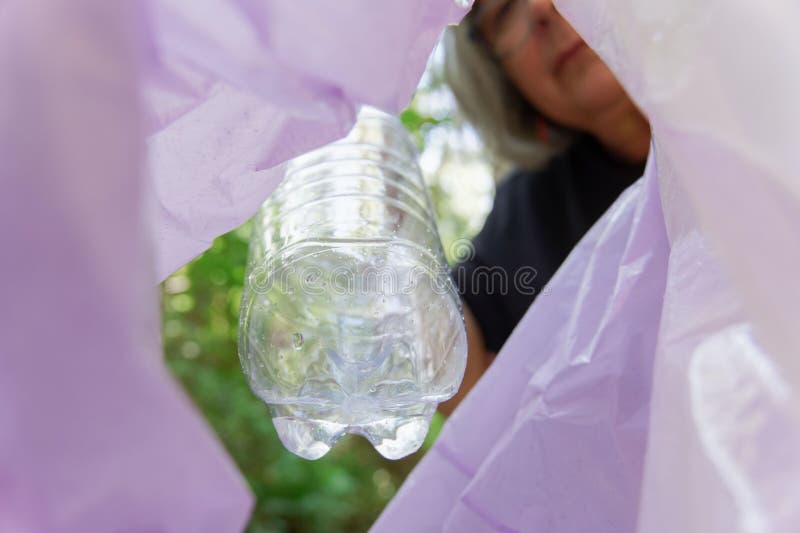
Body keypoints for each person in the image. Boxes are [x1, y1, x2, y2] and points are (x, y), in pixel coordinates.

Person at [439, 0, 651, 414]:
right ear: (504, 82)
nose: (539, 6)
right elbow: (448, 352)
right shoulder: (532, 212)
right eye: (504, 11)